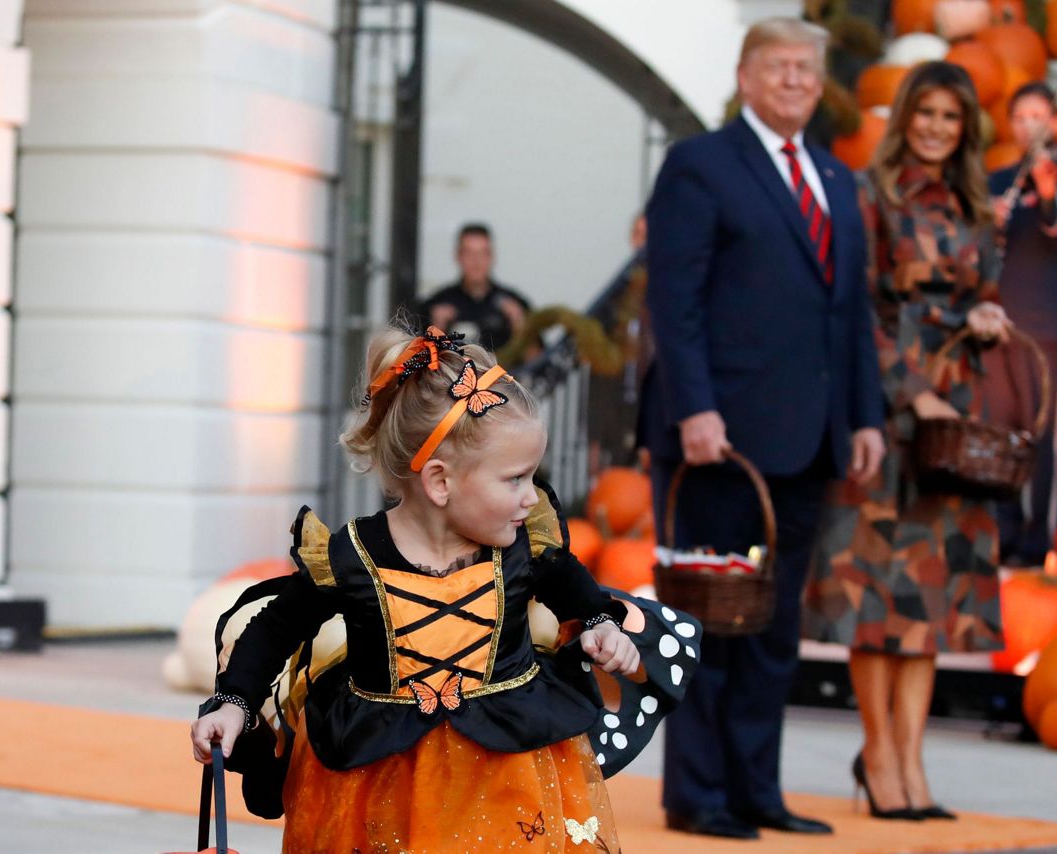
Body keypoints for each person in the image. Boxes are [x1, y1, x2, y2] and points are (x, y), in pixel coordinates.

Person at [190, 325, 700, 852]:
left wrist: (600, 624)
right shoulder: (350, 558)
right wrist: (234, 701)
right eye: (514, 479)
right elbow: (277, 626)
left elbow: (576, 588)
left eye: (531, 477)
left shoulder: (522, 549)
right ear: (440, 482)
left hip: (508, 771)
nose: (532, 497)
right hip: (380, 778)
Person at [642, 17, 886, 840]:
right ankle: (698, 794)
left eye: (806, 70)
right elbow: (671, 301)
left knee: (774, 629)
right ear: (746, 77)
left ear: (822, 85)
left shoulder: (836, 178)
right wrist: (693, 407)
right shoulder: (700, 165)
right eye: (777, 66)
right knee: (709, 619)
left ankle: (757, 792)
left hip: (810, 436)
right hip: (719, 438)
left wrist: (863, 418)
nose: (793, 80)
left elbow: (848, 314)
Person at [808, 60, 1008, 822]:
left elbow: (981, 294)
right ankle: (880, 757)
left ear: (965, 129)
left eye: (950, 118)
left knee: (929, 604)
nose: (935, 128)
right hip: (882, 407)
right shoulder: (869, 196)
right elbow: (853, 307)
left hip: (954, 417)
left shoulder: (976, 206)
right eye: (924, 113)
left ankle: (912, 762)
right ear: (905, 118)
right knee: (877, 599)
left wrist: (986, 319)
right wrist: (908, 390)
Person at [988, 82, 1057, 565]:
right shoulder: (999, 181)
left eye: (1038, 116)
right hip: (998, 323)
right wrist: (992, 222)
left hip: (1044, 324)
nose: (1030, 125)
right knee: (1001, 431)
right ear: (1011, 125)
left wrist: (1045, 194)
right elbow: (981, 252)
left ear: (1054, 122)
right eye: (1021, 116)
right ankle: (1002, 528)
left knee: (1043, 435)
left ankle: (1039, 536)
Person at [420, 223, 533, 352]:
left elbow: (538, 363)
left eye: (482, 253)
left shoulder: (515, 303)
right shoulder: (436, 304)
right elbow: (415, 363)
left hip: (504, 370)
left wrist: (519, 326)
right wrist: (437, 327)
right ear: (458, 256)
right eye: (469, 253)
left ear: (492, 257)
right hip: (455, 370)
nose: (476, 261)